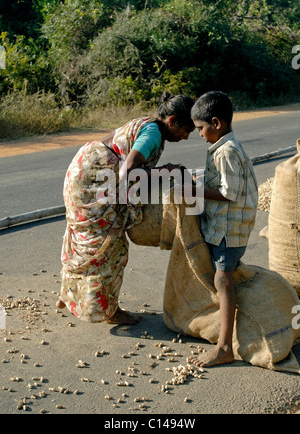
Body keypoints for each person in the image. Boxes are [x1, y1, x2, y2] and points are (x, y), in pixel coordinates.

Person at [56, 92, 195, 325]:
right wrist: (168, 171)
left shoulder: (148, 125)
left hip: (84, 172)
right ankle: (109, 312)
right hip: (94, 182)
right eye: (186, 131)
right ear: (171, 121)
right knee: (110, 246)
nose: (186, 137)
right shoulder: (152, 133)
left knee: (85, 241)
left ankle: (67, 295)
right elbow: (129, 170)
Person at [189, 91, 258, 367]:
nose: (199, 135)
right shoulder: (223, 147)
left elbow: (228, 193)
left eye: (201, 129)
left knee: (222, 280)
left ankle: (225, 347)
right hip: (225, 225)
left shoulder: (227, 151)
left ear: (216, 123)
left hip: (230, 228)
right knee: (222, 277)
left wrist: (195, 190)